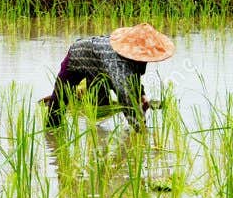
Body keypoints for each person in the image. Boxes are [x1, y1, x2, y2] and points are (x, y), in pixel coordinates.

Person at [40, 23, 175, 126]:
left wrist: (142, 95)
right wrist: (140, 127)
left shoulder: (137, 59)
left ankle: (86, 107)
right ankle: (52, 132)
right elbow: (125, 96)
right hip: (77, 58)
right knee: (57, 107)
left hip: (100, 69)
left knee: (100, 107)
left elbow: (134, 78)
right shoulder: (116, 63)